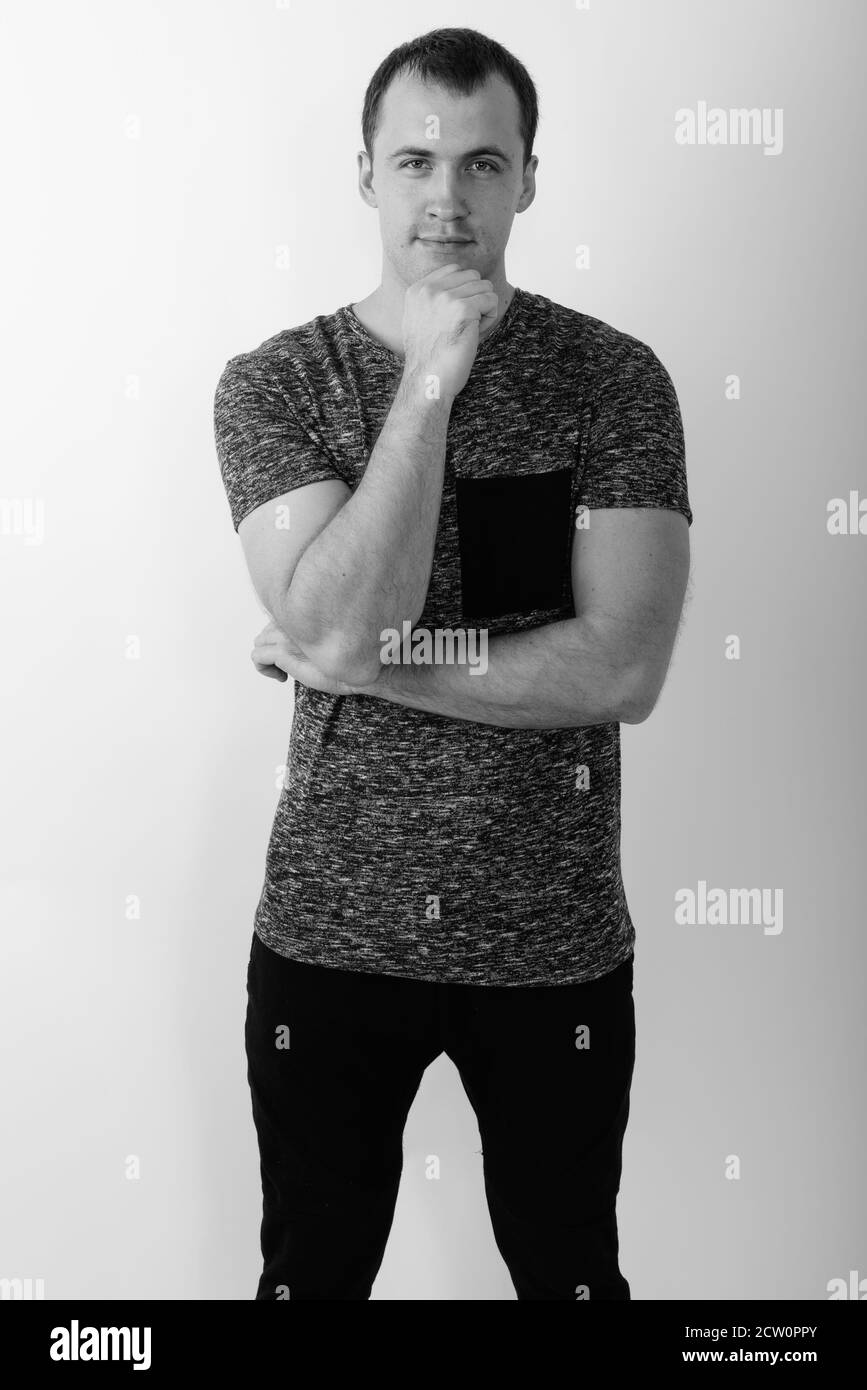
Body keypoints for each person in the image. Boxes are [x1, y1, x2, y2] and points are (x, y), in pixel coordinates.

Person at [213, 26, 692, 1301]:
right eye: (414, 159)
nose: (446, 195)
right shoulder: (280, 385)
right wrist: (431, 376)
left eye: (482, 164)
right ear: (364, 174)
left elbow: (622, 673)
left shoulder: (614, 381)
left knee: (572, 1276)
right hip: (328, 935)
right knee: (308, 1282)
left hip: (554, 946)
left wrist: (357, 661)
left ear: (528, 178)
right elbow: (331, 620)